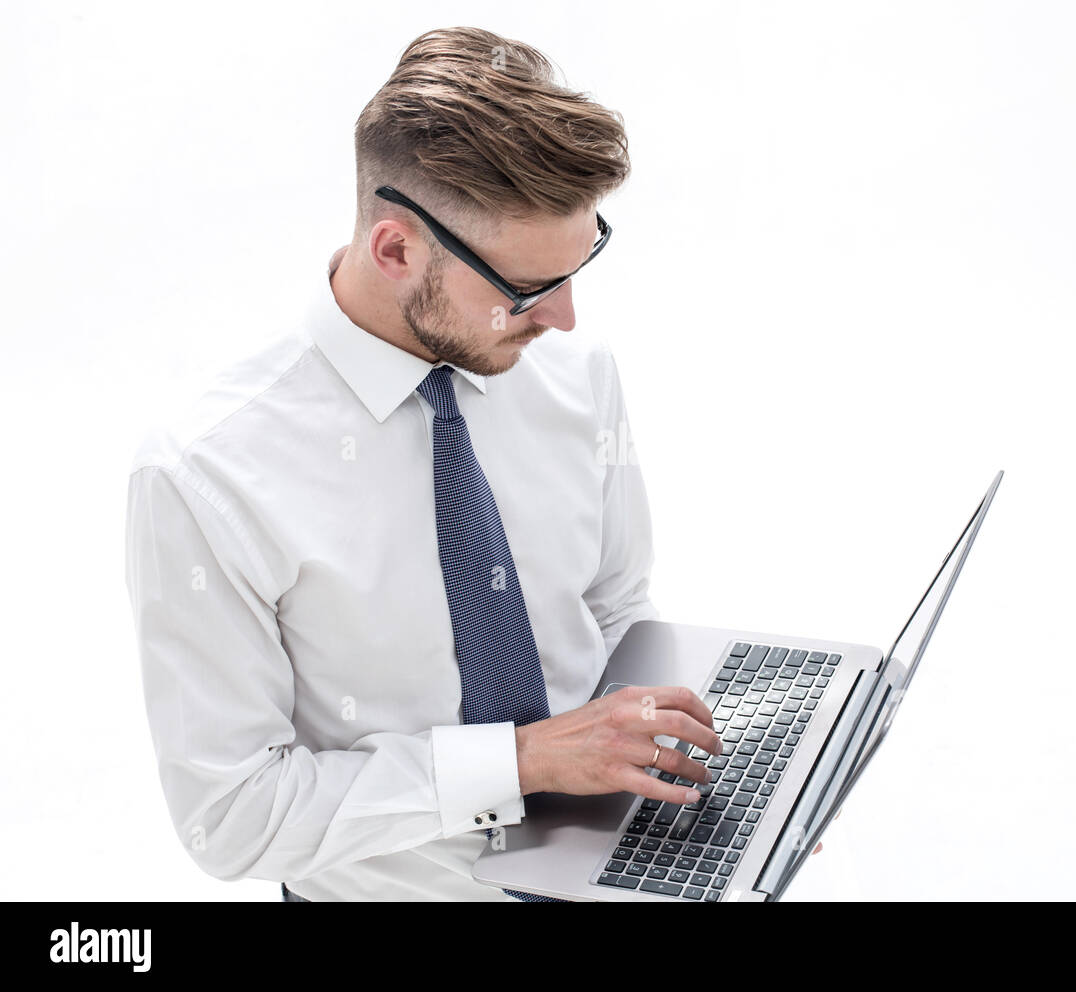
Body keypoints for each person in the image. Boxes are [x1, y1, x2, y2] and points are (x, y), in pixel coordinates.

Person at [123, 25, 721, 902]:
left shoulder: (577, 377)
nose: (565, 319)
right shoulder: (207, 476)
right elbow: (235, 814)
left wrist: (699, 790)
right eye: (524, 291)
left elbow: (615, 609)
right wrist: (517, 763)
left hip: (620, 881)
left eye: (580, 261)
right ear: (397, 250)